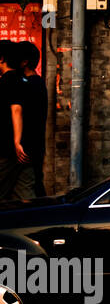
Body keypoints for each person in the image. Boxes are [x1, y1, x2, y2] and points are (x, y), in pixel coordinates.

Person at [16, 41, 46, 198]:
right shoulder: (38, 82)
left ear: (24, 62)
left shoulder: (30, 84)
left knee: (31, 186)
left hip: (28, 145)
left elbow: (23, 114)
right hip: (35, 144)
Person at [0, 40, 23, 202]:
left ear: (2, 59)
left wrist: (17, 141)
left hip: (6, 148)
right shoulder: (20, 79)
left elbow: (16, 109)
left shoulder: (9, 80)